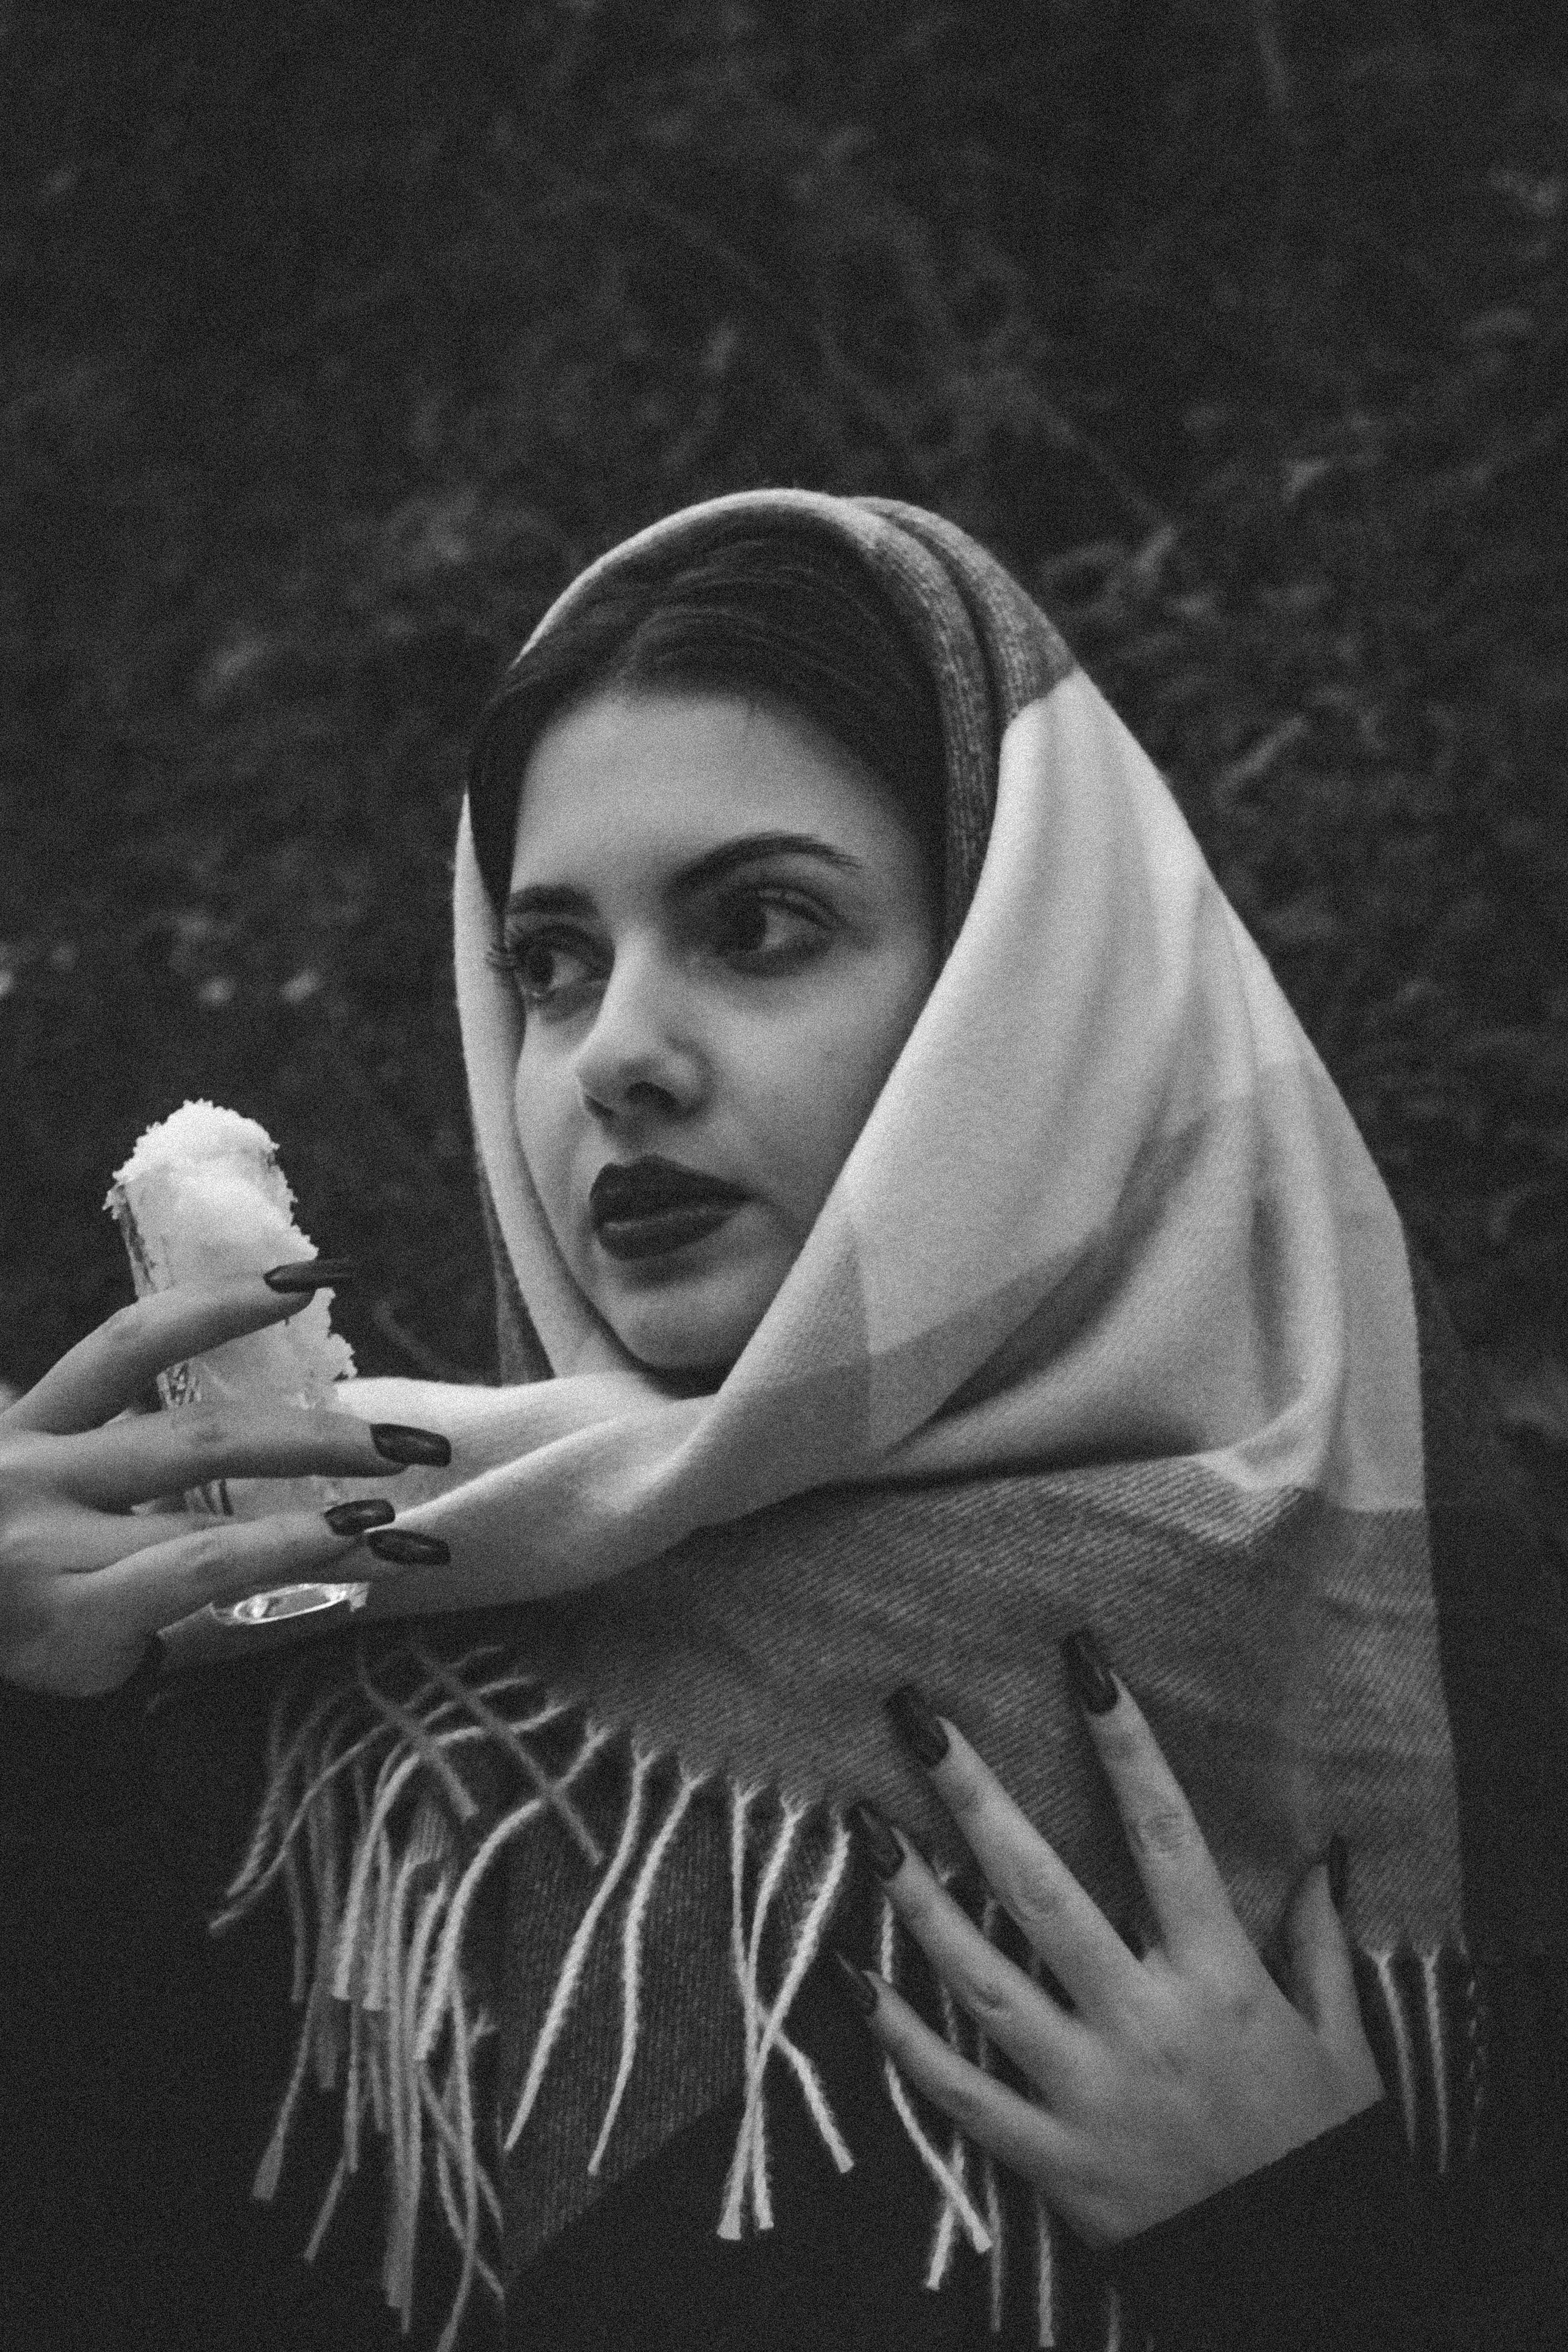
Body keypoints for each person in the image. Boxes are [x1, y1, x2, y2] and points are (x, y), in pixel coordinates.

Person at [2, 492, 1565, 2352]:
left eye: (760, 926)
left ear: (1034, 997)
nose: (611, 1058)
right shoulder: (389, 1723)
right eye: (549, 965)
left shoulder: (1437, 1666)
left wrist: (1313, 2250)